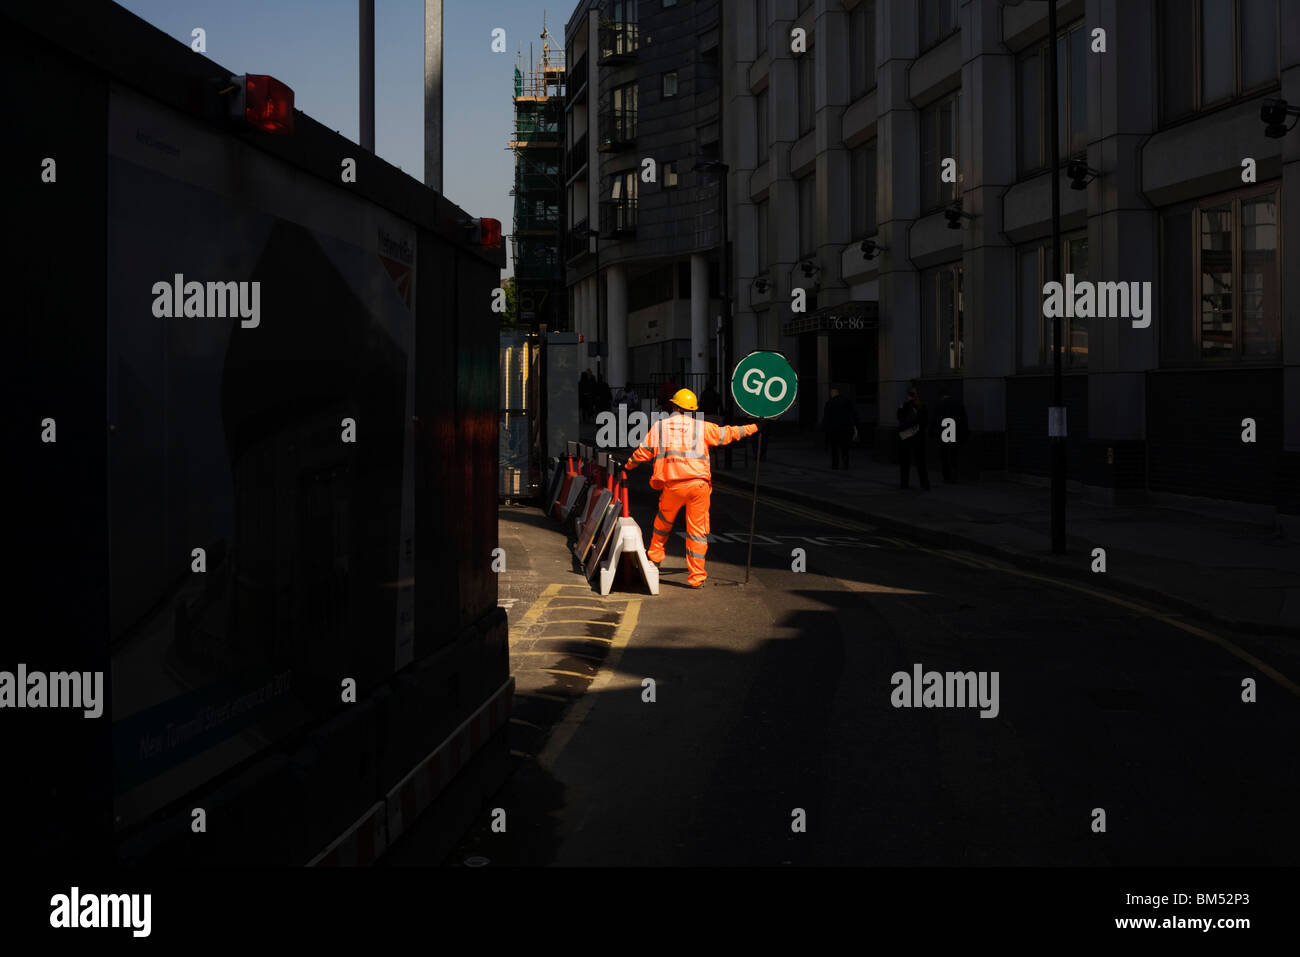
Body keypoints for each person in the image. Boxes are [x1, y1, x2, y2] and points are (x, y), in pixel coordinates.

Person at [624, 388, 758, 588]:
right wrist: (755, 426)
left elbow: (643, 452)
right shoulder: (702, 427)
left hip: (673, 485)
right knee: (697, 532)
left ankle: (654, 559)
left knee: (662, 524)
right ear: (692, 409)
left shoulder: (661, 427)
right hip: (698, 486)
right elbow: (728, 434)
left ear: (673, 405)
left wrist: (626, 466)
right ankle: (696, 578)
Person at [897, 380, 930, 490]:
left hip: (906, 437)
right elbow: (925, 422)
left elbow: (900, 418)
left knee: (905, 461)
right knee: (921, 462)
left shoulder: (904, 406)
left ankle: (904, 483)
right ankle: (924, 483)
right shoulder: (922, 407)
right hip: (918, 437)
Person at [932, 388, 968, 482]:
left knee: (944, 457)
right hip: (954, 433)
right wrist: (964, 434)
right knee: (954, 455)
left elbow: (934, 421)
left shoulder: (938, 405)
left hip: (943, 434)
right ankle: (954, 476)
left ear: (940, 396)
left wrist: (932, 433)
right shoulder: (958, 404)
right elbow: (963, 420)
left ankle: (946, 477)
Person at [822, 387, 860, 470]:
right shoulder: (846, 401)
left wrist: (825, 428)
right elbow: (853, 413)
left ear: (832, 393)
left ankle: (835, 465)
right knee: (845, 448)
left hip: (833, 429)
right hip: (845, 428)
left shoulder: (829, 403)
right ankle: (845, 464)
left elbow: (826, 417)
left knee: (834, 448)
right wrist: (856, 425)